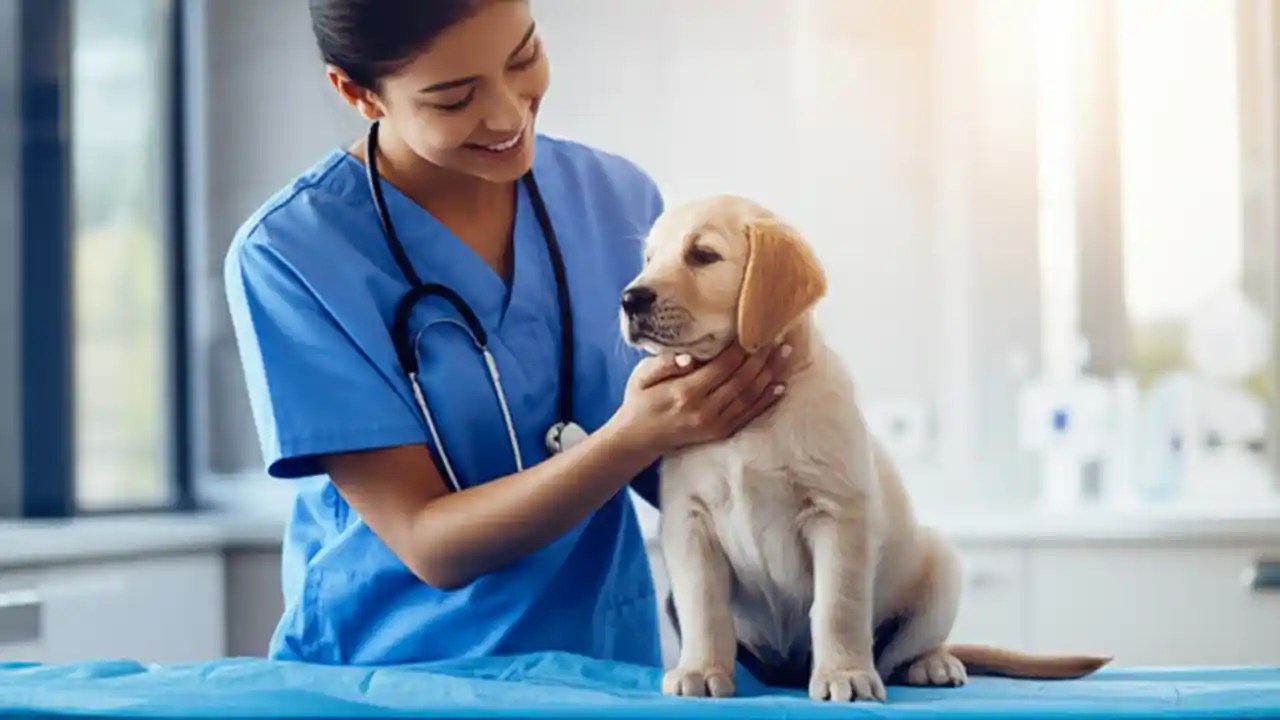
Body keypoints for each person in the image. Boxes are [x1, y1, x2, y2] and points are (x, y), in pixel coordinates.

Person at [224, 0, 790, 667]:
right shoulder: (294, 252)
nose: (507, 113)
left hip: (599, 666)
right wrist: (636, 435)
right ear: (358, 93)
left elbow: (688, 472)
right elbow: (427, 541)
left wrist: (875, 619)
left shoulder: (613, 197)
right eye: (453, 98)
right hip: (393, 676)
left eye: (523, 58)